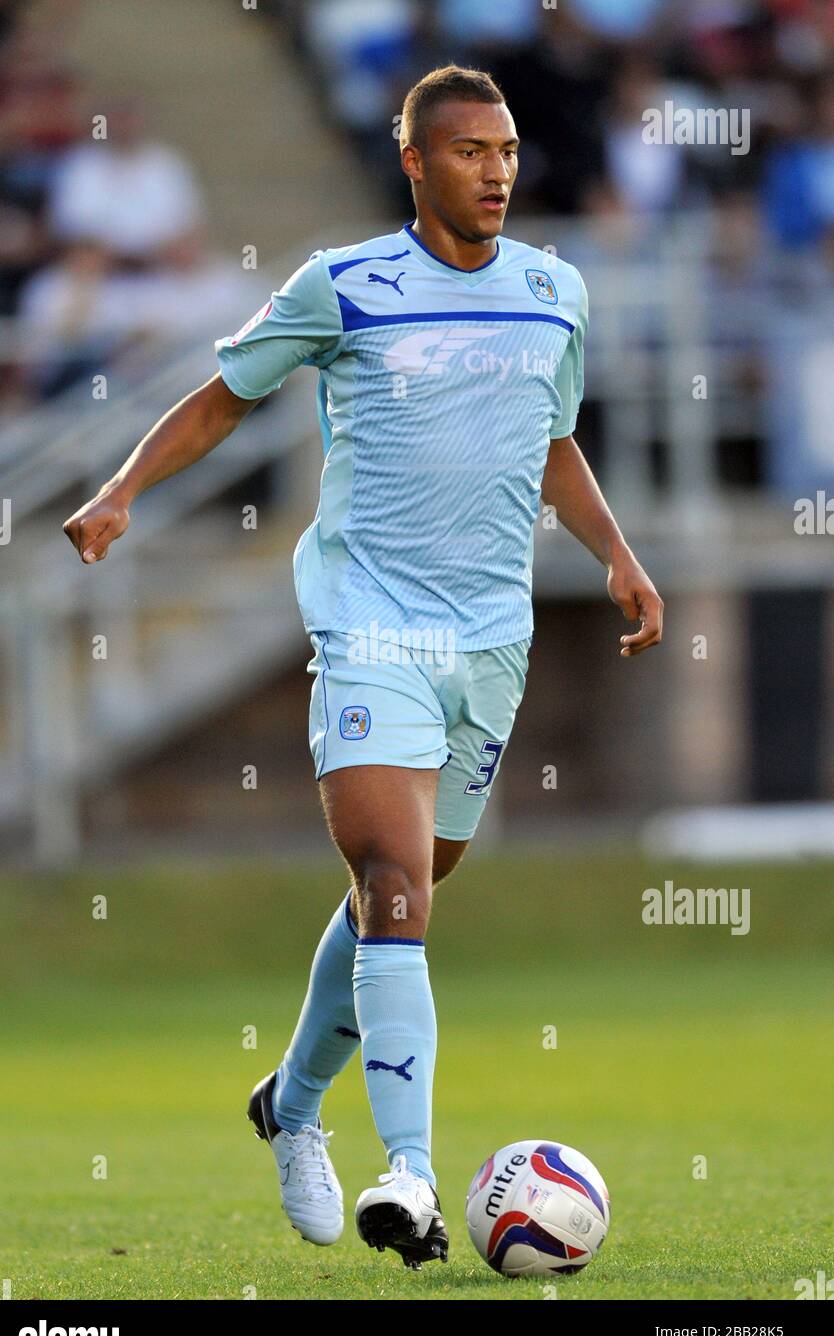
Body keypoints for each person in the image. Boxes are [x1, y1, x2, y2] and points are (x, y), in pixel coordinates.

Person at [62, 65, 663, 1271]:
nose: (495, 169)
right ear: (414, 162)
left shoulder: (555, 293)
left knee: (407, 888)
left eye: (503, 150)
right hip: (367, 624)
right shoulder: (340, 288)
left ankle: (287, 1103)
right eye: (468, 151)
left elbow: (551, 442)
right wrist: (123, 491)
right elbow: (225, 398)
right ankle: (413, 1174)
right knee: (394, 879)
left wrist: (619, 557)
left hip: (490, 641)